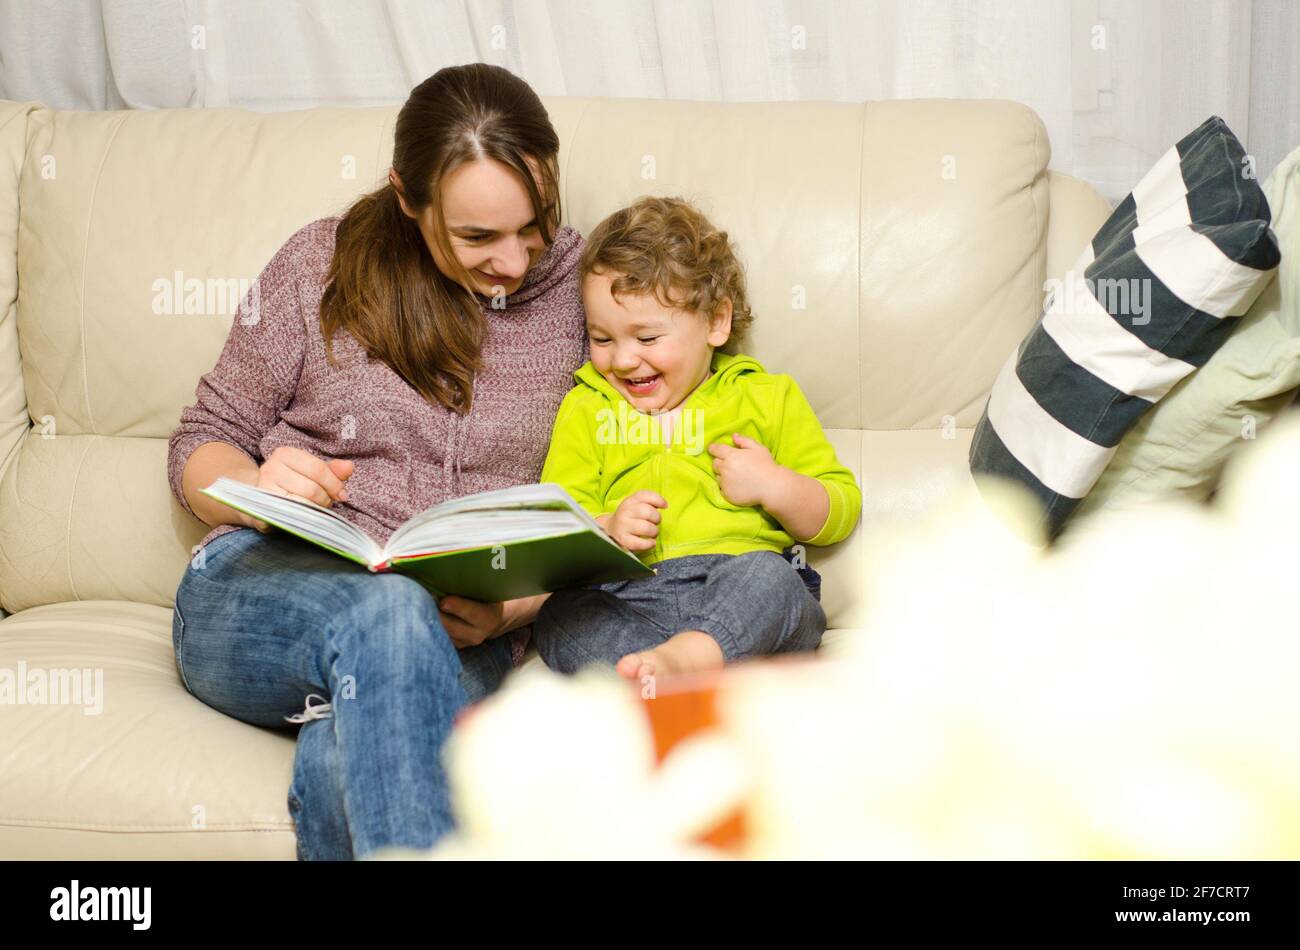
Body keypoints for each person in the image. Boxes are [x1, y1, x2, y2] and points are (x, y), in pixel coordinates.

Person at [167, 63, 587, 860]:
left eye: (531, 225)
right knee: (386, 610)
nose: (514, 260)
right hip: (257, 596)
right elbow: (199, 443)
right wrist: (253, 486)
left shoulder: (584, 294)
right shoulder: (318, 265)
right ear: (408, 200)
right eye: (477, 237)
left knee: (337, 762)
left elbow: (626, 493)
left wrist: (520, 608)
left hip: (461, 632)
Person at [532, 196, 861, 681]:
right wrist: (607, 527)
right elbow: (555, 525)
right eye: (602, 339)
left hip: (736, 583)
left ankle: (688, 660)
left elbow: (840, 510)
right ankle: (663, 674)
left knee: (773, 579)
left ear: (716, 322)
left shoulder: (764, 396)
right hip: (631, 596)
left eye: (646, 339)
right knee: (560, 618)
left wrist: (774, 485)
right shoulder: (587, 407)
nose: (623, 360)